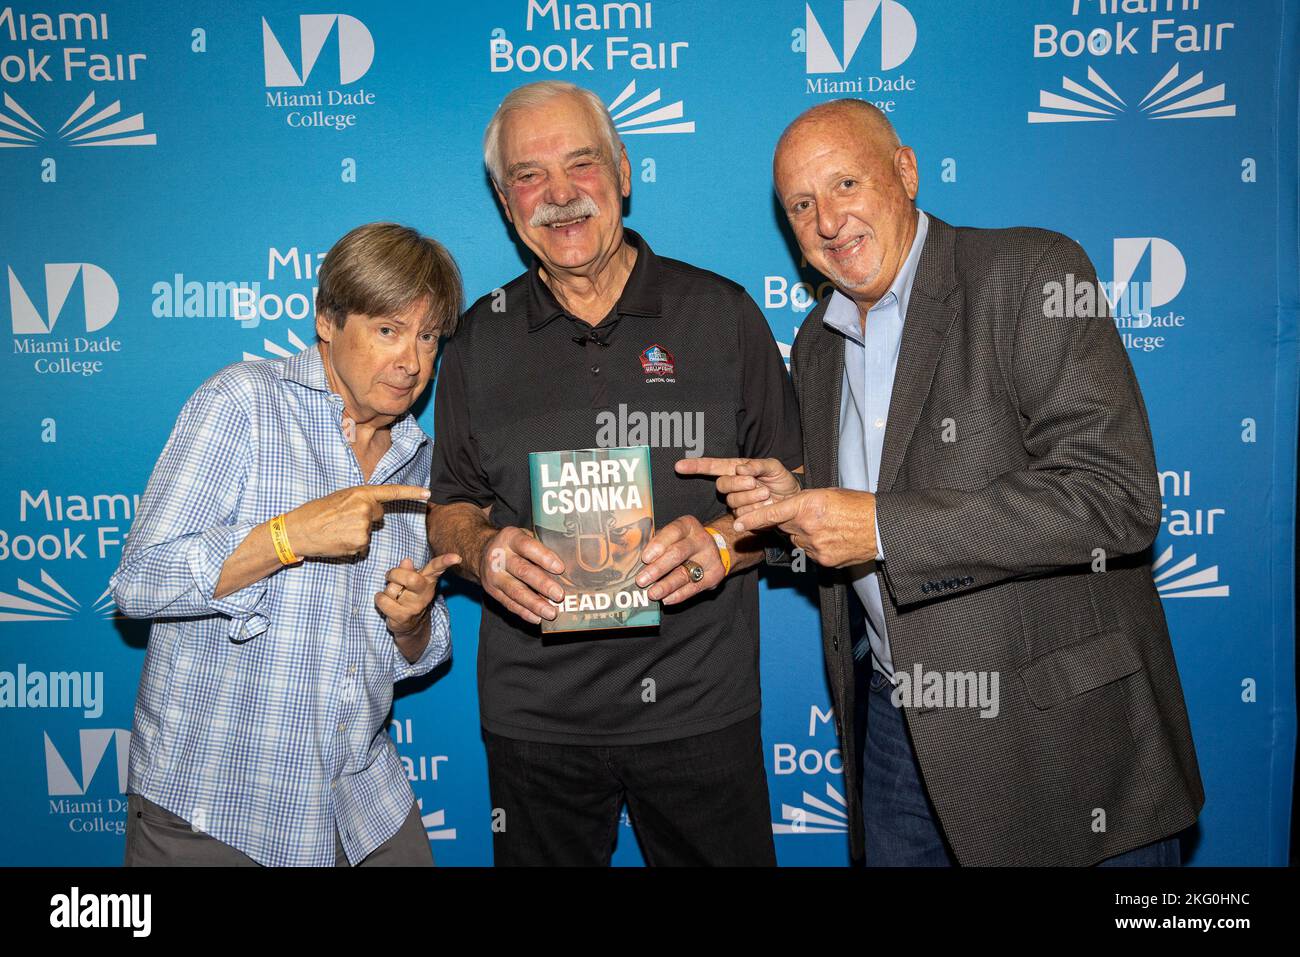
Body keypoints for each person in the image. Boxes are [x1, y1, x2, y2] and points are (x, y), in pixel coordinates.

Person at [680, 99, 1203, 866]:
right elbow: (864, 499)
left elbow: (1114, 497)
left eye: (846, 184)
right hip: (897, 730)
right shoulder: (817, 344)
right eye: (801, 204)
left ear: (906, 171)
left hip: (1055, 736)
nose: (828, 221)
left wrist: (883, 527)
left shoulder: (1028, 272)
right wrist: (786, 497)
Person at [426, 80, 802, 866]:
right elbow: (450, 507)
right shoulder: (473, 341)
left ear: (623, 172)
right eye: (529, 176)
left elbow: (797, 494)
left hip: (701, 709)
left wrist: (728, 541)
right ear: (504, 200)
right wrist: (483, 550)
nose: (560, 196)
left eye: (582, 164)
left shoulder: (724, 315)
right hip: (538, 724)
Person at [111, 222, 464, 866]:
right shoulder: (243, 404)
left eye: (428, 336)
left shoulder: (419, 462)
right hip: (218, 808)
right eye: (388, 329)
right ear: (328, 320)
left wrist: (411, 625)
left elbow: (422, 649)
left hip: (362, 800)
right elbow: (138, 584)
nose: (411, 360)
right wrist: (288, 536)